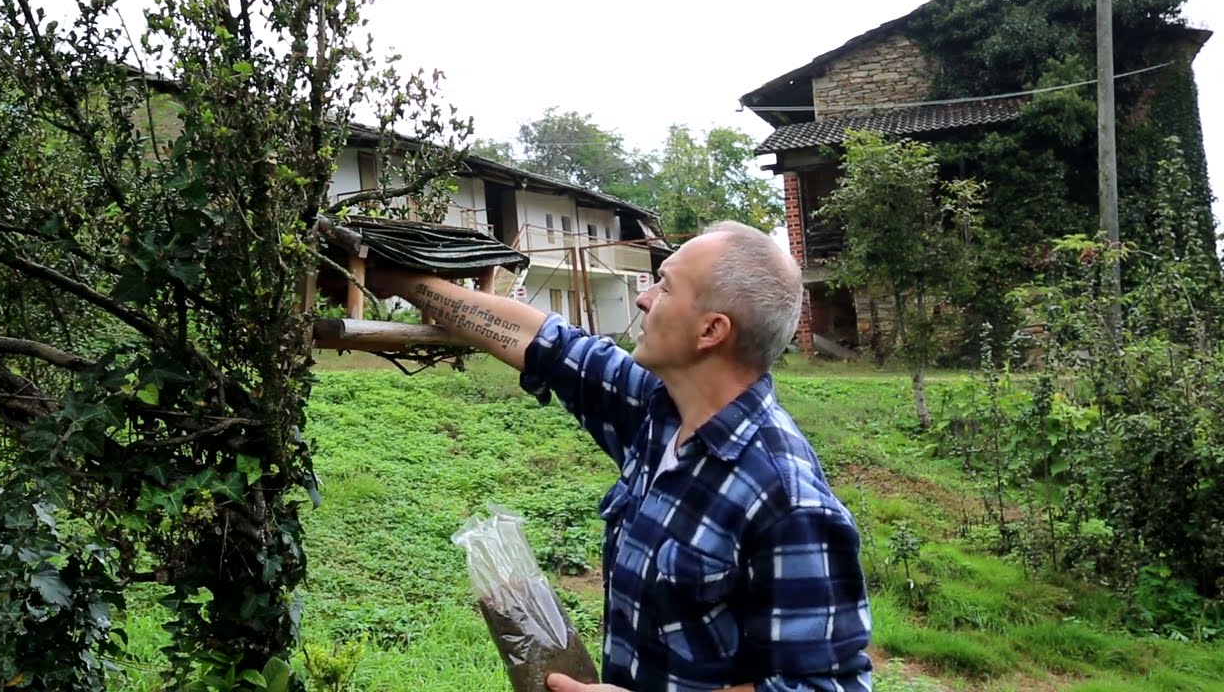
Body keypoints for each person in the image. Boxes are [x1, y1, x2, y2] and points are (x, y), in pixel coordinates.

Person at [368, 221, 872, 692]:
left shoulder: (787, 498)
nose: (643, 297)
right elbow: (544, 342)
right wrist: (399, 278)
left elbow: (826, 684)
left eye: (666, 287)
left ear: (710, 331)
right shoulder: (659, 409)